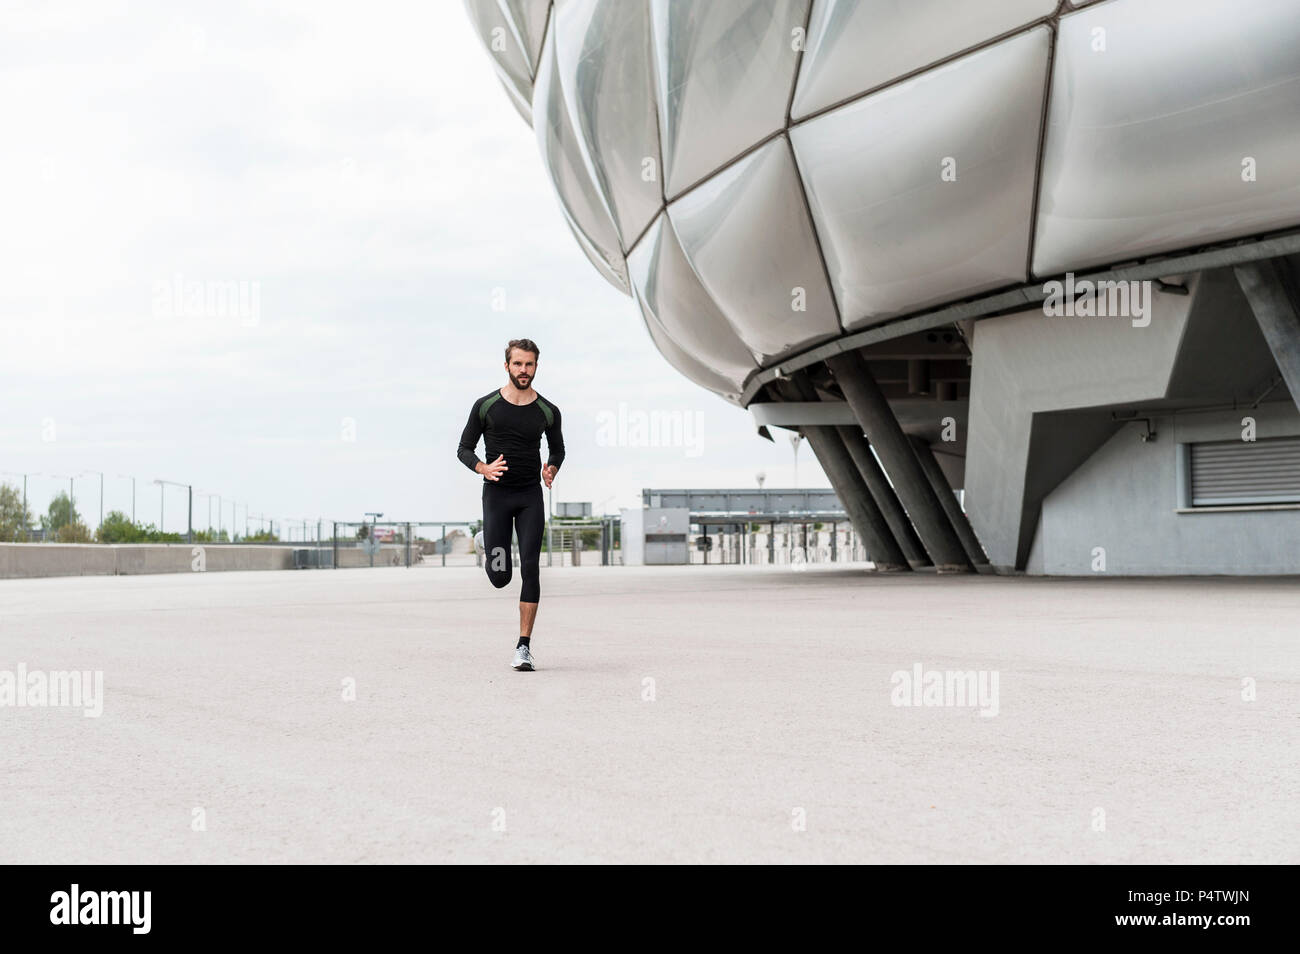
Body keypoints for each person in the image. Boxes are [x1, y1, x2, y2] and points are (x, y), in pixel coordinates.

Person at [456, 338, 564, 671]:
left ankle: (523, 647)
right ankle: (487, 542)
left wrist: (551, 468)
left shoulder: (547, 411)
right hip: (498, 496)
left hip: (530, 496)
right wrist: (483, 468)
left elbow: (558, 449)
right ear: (507, 365)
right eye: (518, 364)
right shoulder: (486, 406)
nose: (524, 370)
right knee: (501, 577)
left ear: (536, 367)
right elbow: (464, 448)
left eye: (529, 364)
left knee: (531, 568)